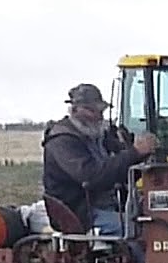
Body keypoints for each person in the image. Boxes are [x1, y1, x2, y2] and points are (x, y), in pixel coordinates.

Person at [41, 83, 158, 240]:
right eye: (92, 110)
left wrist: (142, 158)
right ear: (75, 110)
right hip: (81, 213)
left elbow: (119, 167)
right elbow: (92, 176)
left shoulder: (100, 136)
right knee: (140, 229)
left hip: (110, 204)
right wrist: (135, 153)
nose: (99, 116)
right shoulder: (62, 140)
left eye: (101, 111)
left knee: (158, 219)